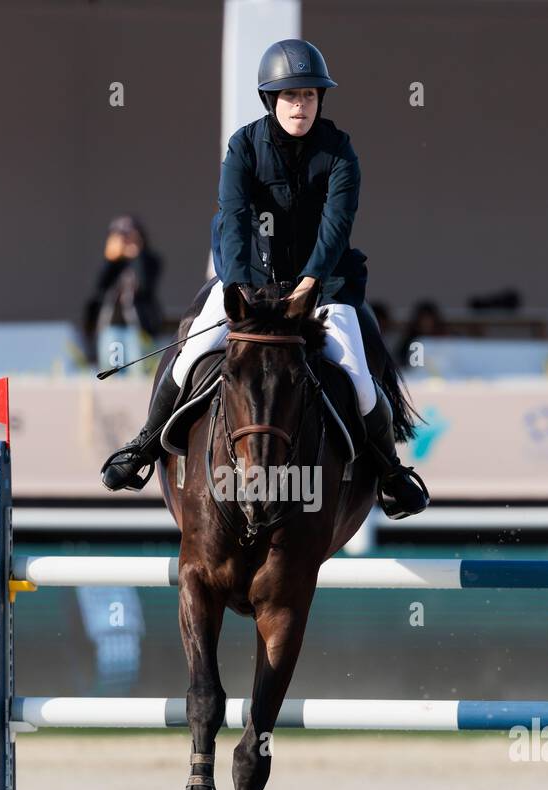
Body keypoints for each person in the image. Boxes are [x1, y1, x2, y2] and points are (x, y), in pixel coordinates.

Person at [99, 39, 428, 518]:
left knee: (356, 375)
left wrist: (311, 280)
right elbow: (231, 220)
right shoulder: (244, 147)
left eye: (310, 96)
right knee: (193, 352)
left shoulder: (339, 151)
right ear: (271, 101)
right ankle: (144, 446)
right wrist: (234, 287)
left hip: (325, 285)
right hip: (250, 284)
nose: (301, 105)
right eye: (291, 97)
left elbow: (337, 226)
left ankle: (392, 474)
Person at [84, 214, 164, 366]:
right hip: (110, 327)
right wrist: (110, 259)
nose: (125, 240)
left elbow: (145, 287)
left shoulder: (150, 260)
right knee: (112, 373)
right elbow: (100, 287)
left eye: (129, 235)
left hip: (139, 328)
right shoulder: (113, 263)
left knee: (139, 373)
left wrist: (136, 254)